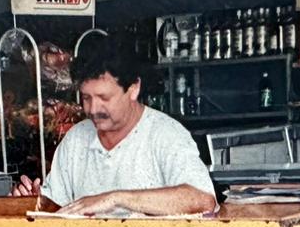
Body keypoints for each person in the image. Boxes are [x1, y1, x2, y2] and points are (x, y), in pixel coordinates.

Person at [11, 36, 217, 216]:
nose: (93, 109)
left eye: (104, 97)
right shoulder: (76, 139)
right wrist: (36, 203)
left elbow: (202, 200)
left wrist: (115, 198)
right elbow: (59, 209)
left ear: (133, 88)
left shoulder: (166, 135)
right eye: (86, 98)